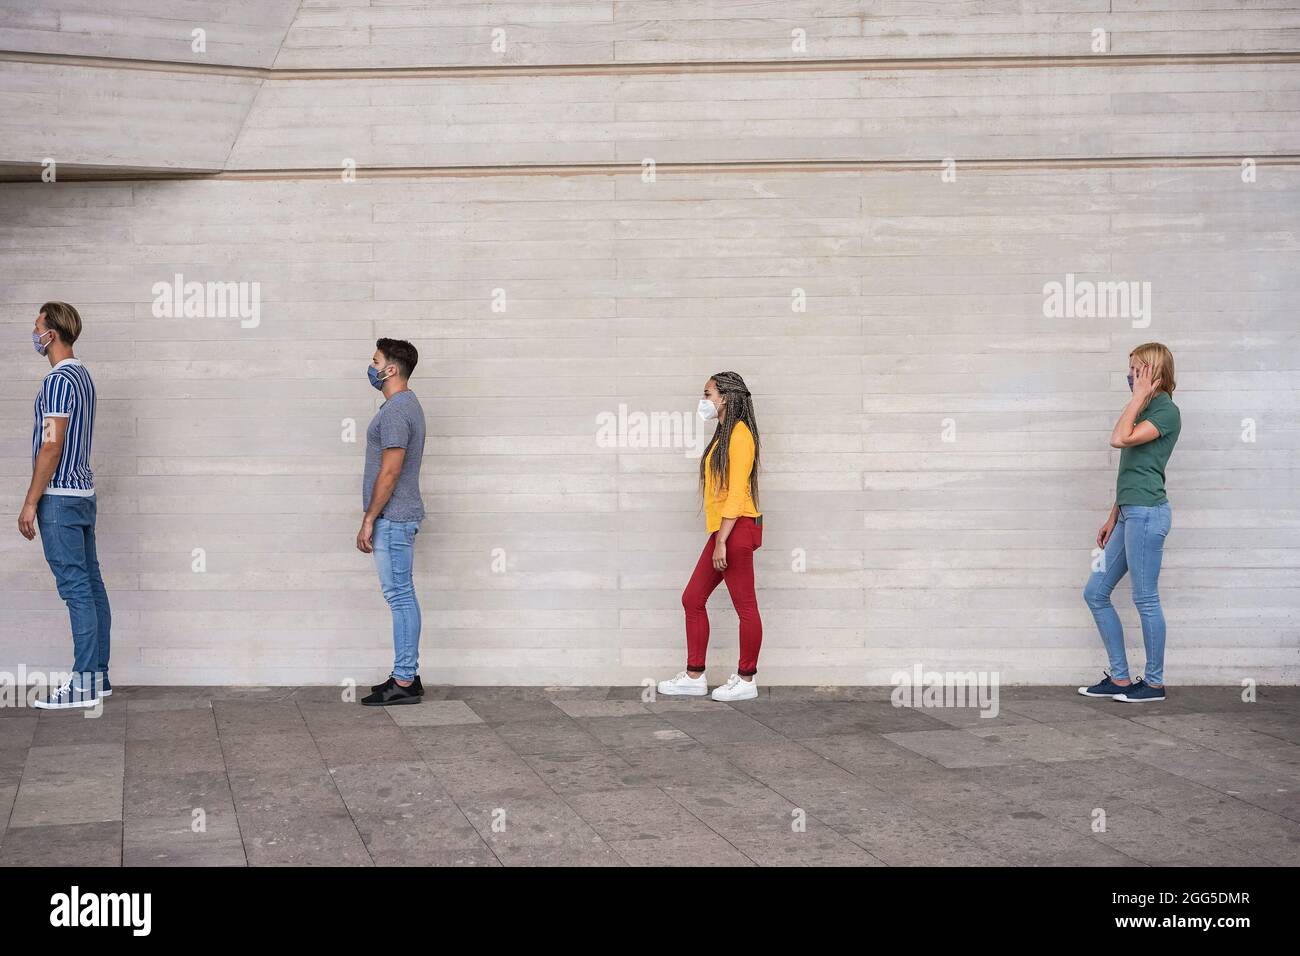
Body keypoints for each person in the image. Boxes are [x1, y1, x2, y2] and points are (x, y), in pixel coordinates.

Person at [19, 302, 112, 709]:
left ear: (51, 333)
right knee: (90, 585)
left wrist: (29, 502)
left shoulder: (58, 382)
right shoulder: (84, 377)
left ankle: (85, 683)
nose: (34, 332)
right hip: (83, 495)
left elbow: (51, 445)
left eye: (38, 325)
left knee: (77, 589)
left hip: (59, 498)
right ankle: (99, 676)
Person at [1079, 343, 1181, 703]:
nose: (1130, 376)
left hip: (1148, 513)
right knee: (1095, 592)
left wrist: (1139, 397)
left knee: (1145, 598)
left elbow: (1118, 439)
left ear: (1154, 373)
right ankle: (1120, 678)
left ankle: (1153, 684)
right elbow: (1131, 471)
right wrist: (1113, 516)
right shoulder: (1145, 408)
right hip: (1128, 513)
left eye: (1137, 370)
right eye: (1130, 370)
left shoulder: (1166, 411)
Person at [658, 372, 765, 702]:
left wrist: (721, 540)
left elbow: (737, 493)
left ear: (726, 397)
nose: (703, 401)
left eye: (707, 394)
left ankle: (746, 679)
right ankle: (694, 676)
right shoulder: (725, 433)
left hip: (737, 528)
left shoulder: (741, 435)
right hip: (725, 529)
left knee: (745, 605)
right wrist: (719, 536)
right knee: (692, 598)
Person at [356, 339, 427, 706]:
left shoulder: (398, 410)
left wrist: (370, 517)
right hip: (395, 518)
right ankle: (406, 676)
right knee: (401, 595)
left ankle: (403, 680)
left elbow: (392, 469)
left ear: (391, 369)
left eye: (375, 360)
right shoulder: (400, 406)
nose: (370, 366)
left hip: (393, 518)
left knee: (399, 596)